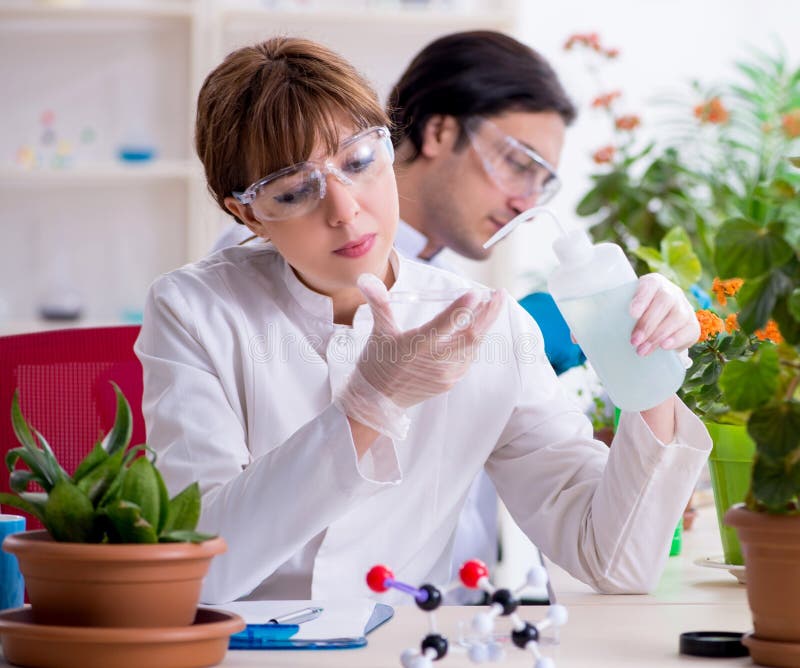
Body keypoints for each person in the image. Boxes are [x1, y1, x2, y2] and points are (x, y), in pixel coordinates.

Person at [135, 36, 710, 605]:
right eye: (291, 193)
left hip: (409, 643)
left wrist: (647, 373)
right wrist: (367, 408)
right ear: (246, 213)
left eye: (359, 162)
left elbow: (614, 560)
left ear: (389, 148)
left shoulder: (488, 322)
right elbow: (195, 571)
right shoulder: (195, 310)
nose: (344, 210)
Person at [208, 32, 587, 598]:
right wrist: (375, 397)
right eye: (517, 164)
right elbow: (232, 531)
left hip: (442, 607)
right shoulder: (266, 265)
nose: (525, 201)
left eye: (542, 180)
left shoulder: (463, 291)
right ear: (438, 132)